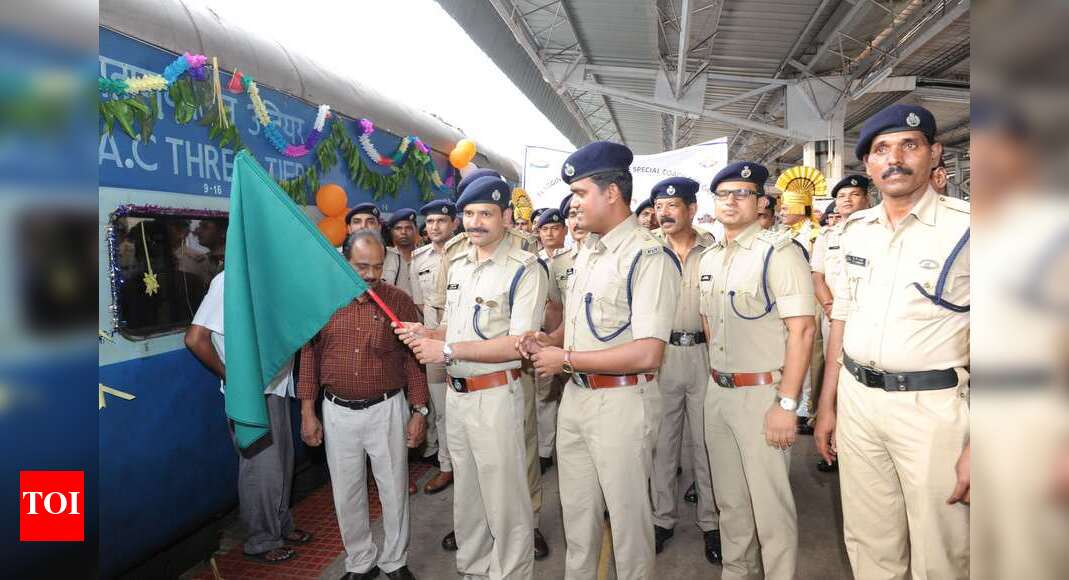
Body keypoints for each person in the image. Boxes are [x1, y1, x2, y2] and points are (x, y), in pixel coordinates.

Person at [814, 104, 970, 580]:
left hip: (933, 410)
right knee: (869, 540)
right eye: (881, 149)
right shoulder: (854, 232)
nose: (894, 158)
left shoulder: (970, 227)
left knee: (941, 550)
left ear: (934, 154)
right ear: (868, 166)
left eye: (909, 145)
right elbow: (842, 315)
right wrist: (828, 404)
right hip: (859, 403)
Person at [520, 141, 681, 580]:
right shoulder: (589, 251)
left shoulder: (648, 257)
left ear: (612, 193)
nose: (574, 204)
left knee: (628, 523)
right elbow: (581, 325)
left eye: (580, 192)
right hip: (576, 400)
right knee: (578, 517)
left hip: (622, 404)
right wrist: (547, 339)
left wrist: (565, 358)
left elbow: (649, 352)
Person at [396, 176, 548, 580]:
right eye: (469, 214)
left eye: (486, 214)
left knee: (505, 497)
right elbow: (456, 326)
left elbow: (519, 343)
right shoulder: (460, 263)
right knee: (468, 494)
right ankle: (474, 568)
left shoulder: (526, 269)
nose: (476, 222)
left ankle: (512, 572)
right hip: (459, 396)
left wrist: (446, 351)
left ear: (506, 218)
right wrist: (429, 334)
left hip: (496, 395)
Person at [698, 162, 816, 580]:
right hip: (718, 393)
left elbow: (802, 331)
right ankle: (737, 572)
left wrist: (787, 404)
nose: (731, 201)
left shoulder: (778, 252)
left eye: (742, 193)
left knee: (770, 506)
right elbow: (710, 326)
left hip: (762, 397)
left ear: (761, 202)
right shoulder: (709, 257)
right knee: (730, 502)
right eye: (723, 194)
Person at [297, 230, 429, 580]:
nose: (371, 275)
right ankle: (360, 562)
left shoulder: (397, 301)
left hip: (386, 409)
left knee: (394, 488)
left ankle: (395, 561)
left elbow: (413, 360)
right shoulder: (321, 301)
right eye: (361, 267)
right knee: (346, 492)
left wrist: (419, 410)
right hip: (337, 412)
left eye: (377, 267)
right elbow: (308, 358)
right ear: (343, 262)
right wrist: (307, 411)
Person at [184, 271, 311, 565]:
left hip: (274, 388)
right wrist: (235, 380)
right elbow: (195, 339)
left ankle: (280, 527)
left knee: (279, 465)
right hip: (251, 395)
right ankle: (261, 541)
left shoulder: (271, 278)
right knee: (260, 469)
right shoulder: (228, 281)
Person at [647, 177, 722, 563]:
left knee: (705, 443)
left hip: (704, 355)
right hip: (660, 359)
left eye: (672, 205)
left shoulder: (714, 250)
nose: (664, 213)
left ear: (692, 209)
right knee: (662, 443)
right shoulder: (648, 251)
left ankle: (712, 524)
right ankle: (662, 519)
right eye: (659, 206)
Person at [809, 176, 871, 473]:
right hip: (833, 318)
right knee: (832, 379)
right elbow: (817, 277)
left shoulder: (878, 231)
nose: (846, 200)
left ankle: (859, 443)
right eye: (842, 195)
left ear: (867, 199)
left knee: (860, 379)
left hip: (868, 319)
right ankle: (833, 443)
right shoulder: (827, 236)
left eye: (854, 194)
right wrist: (832, 309)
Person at [411, 199, 459, 495]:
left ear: (454, 223)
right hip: (434, 345)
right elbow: (420, 304)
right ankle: (447, 467)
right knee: (441, 410)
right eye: (429, 222)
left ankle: (471, 466)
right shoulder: (418, 259)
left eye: (441, 220)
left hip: (466, 343)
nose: (435, 226)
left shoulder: (467, 253)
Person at [533, 208, 568, 472]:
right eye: (544, 229)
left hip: (571, 339)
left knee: (569, 395)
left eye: (555, 228)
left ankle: (567, 447)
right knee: (543, 395)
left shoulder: (575, 259)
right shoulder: (532, 262)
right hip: (544, 335)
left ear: (564, 230)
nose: (549, 233)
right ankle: (544, 451)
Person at [346, 203, 417, 300]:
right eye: (357, 222)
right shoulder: (336, 258)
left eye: (370, 222)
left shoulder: (396, 259)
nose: (363, 226)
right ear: (349, 228)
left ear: (379, 227)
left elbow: (404, 298)